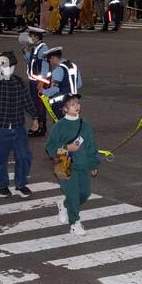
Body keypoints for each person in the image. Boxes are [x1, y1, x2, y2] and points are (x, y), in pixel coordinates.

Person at [0, 52, 39, 198]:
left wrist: (35, 117)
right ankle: (3, 185)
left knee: (24, 156)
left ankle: (20, 184)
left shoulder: (19, 82)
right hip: (0, 127)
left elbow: (27, 100)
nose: (9, 69)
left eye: (11, 66)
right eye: (6, 66)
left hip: (18, 126)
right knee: (0, 159)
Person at [46, 94, 99, 236]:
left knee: (85, 193)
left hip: (82, 163)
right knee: (74, 195)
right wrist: (66, 147)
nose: (76, 106)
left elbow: (91, 146)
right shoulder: (59, 126)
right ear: (64, 109)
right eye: (72, 104)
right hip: (63, 163)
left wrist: (93, 164)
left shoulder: (85, 125)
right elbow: (50, 148)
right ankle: (74, 223)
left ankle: (64, 204)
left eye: (77, 103)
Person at [41, 47, 82, 114]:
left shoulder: (58, 70)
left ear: (53, 57)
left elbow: (55, 89)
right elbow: (79, 84)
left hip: (61, 105)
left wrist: (44, 91)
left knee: (60, 123)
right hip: (74, 103)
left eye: (49, 60)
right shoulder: (74, 66)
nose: (50, 63)